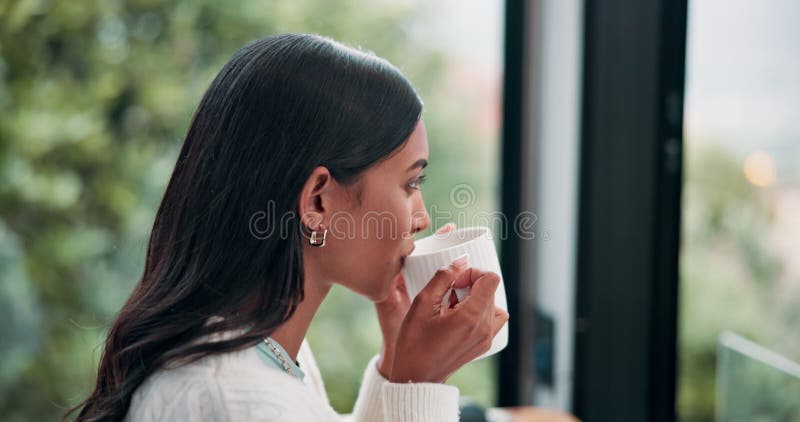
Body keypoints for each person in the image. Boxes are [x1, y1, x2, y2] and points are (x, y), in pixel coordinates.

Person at [67, 33, 509, 422]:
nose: (422, 218)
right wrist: (421, 382)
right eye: (411, 183)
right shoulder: (233, 398)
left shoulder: (256, 347)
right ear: (318, 200)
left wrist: (399, 367)